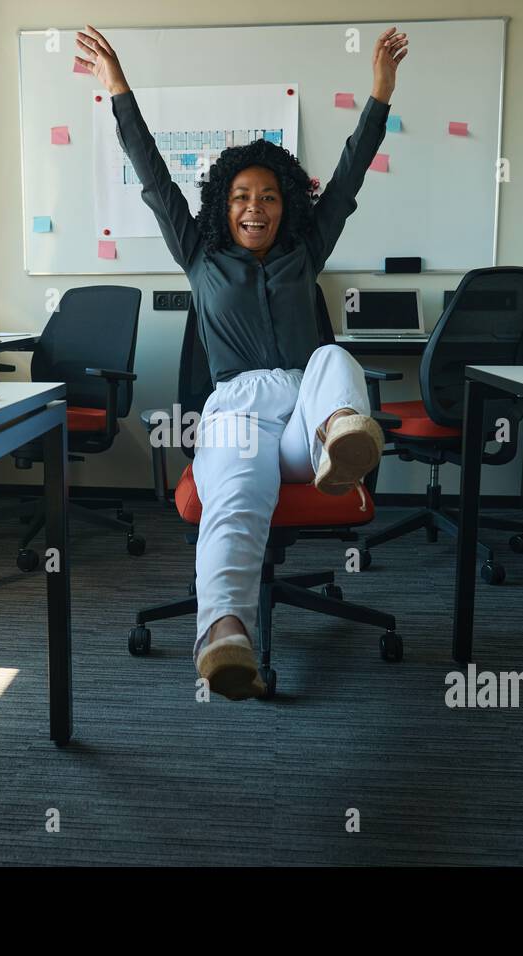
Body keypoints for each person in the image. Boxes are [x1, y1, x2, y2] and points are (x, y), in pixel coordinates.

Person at [76, 24, 408, 700]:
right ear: (223, 207)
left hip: (309, 420)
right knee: (233, 492)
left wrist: (380, 94)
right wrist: (118, 90)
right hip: (238, 411)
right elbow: (152, 174)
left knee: (333, 358)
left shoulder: (305, 251)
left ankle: (344, 438)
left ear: (287, 205)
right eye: (241, 197)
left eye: (269, 197)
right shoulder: (199, 256)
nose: (255, 207)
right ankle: (226, 630)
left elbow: (346, 177)